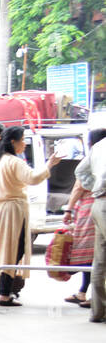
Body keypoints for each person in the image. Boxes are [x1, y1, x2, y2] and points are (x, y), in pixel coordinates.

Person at [0, 126, 59, 305]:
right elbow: (33, 178)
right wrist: (49, 164)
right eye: (22, 140)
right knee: (12, 249)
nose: (24, 144)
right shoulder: (14, 161)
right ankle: (4, 294)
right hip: (11, 210)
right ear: (13, 142)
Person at [60, 128, 105, 307]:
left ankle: (94, 304)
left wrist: (69, 209)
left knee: (97, 258)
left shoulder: (95, 154)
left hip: (93, 206)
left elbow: (79, 179)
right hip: (95, 204)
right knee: (95, 257)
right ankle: (89, 296)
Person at [72, 130, 106, 322]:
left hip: (99, 204)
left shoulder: (99, 146)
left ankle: (98, 312)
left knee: (100, 262)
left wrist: (96, 187)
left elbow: (80, 171)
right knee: (100, 262)